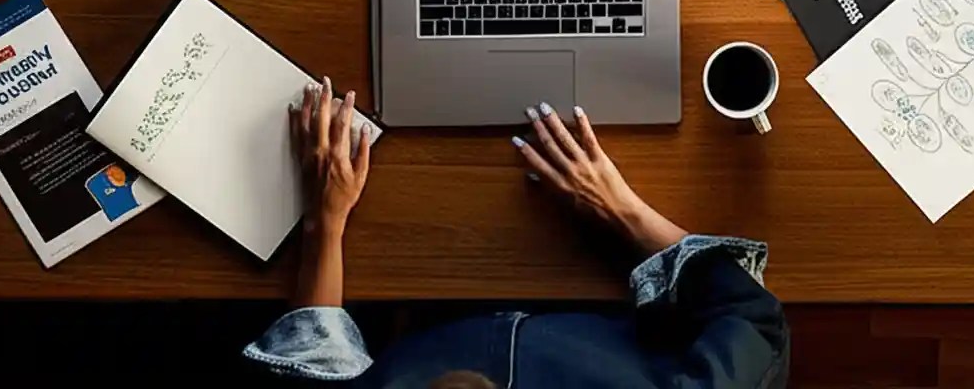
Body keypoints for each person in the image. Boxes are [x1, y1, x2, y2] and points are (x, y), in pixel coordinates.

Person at [243, 77, 789, 387]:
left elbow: (309, 362)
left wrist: (323, 221)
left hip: (422, 315)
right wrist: (620, 209)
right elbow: (754, 321)